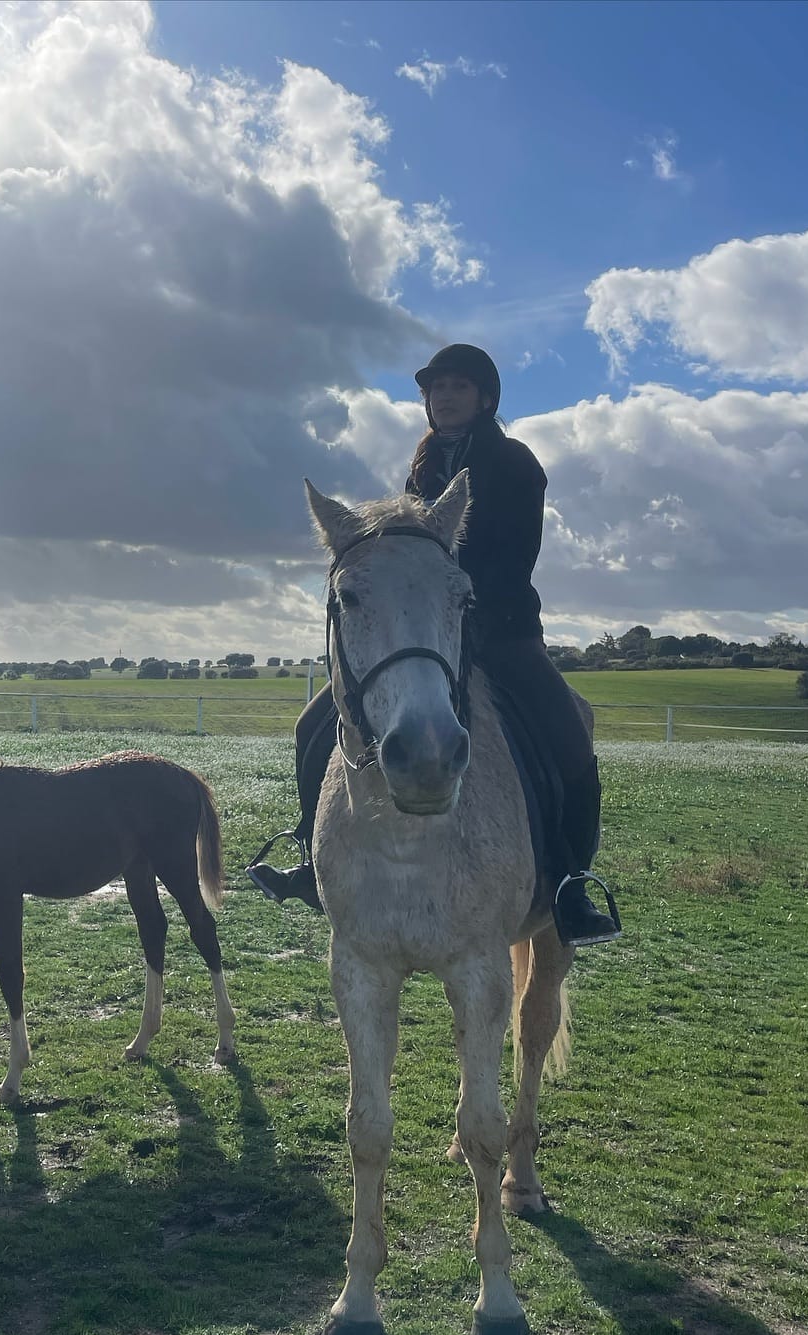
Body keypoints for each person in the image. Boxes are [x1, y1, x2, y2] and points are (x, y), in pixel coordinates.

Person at [247, 343, 620, 947]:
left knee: (567, 733)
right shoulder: (421, 469)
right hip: (426, 638)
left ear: (485, 398)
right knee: (313, 726)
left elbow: (518, 556)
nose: (443, 397)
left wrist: (460, 604)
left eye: (458, 387)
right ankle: (310, 854)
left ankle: (571, 883)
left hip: (501, 635)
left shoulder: (517, 465)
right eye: (435, 388)